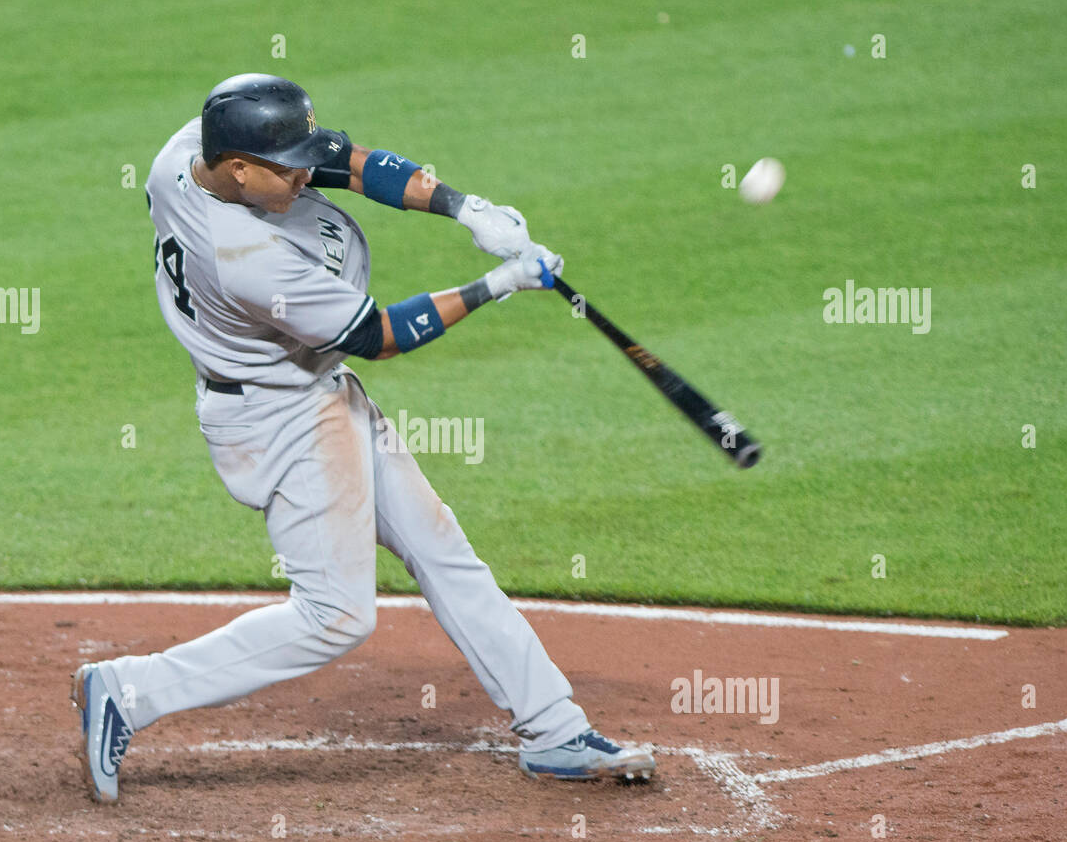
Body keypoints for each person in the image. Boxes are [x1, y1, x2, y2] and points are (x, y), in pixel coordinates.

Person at [72, 73, 655, 802]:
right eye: (286, 167)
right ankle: (128, 690)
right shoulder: (246, 259)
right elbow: (378, 334)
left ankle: (554, 727)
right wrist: (495, 284)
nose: (302, 175)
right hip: (281, 420)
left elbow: (347, 162)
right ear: (241, 170)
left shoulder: (186, 157)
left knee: (440, 545)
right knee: (335, 615)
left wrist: (462, 206)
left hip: (311, 391)